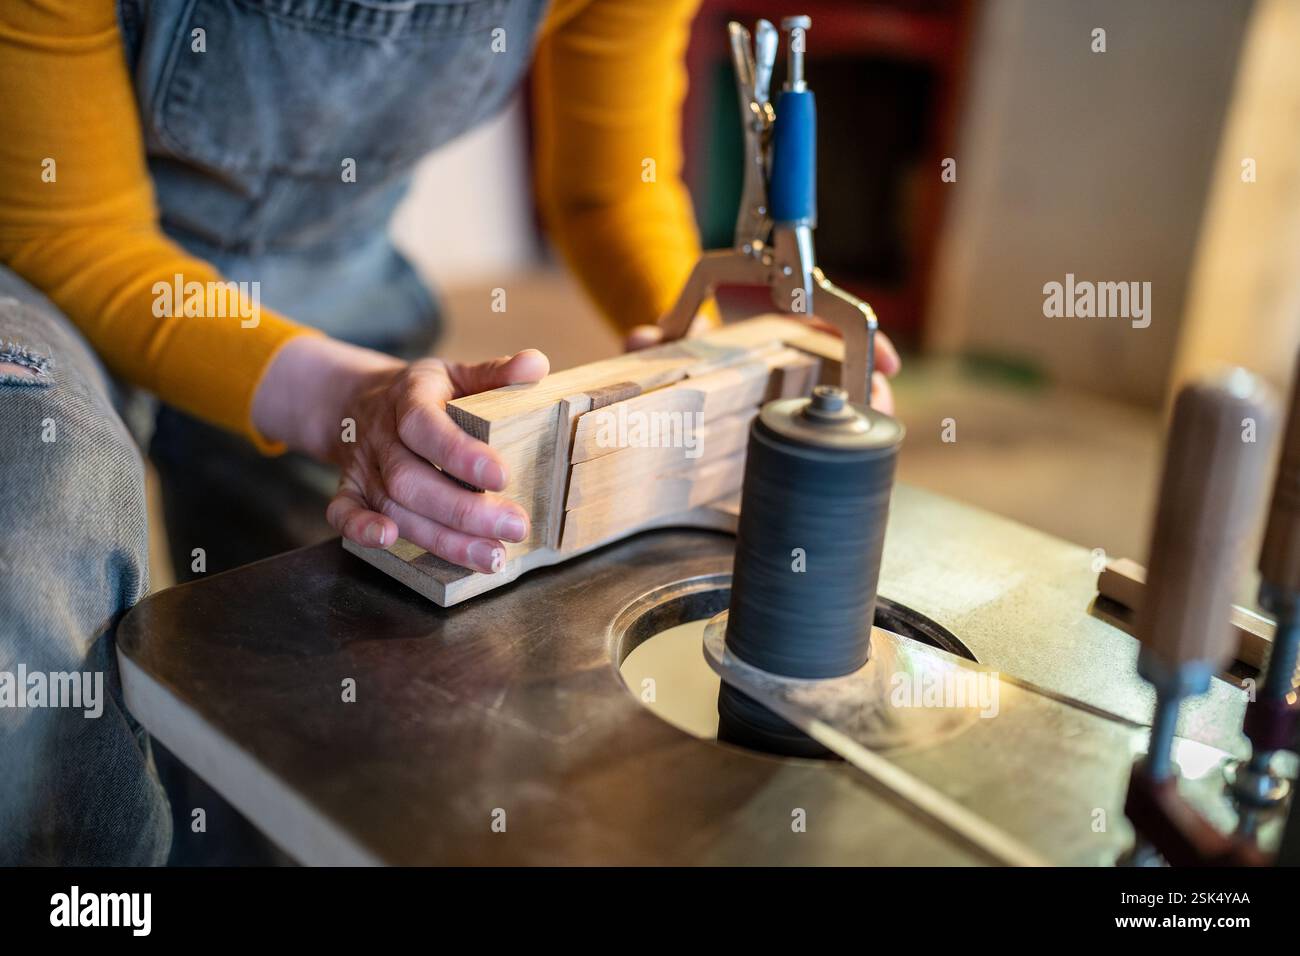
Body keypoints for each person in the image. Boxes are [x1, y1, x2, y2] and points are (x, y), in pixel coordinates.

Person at [0, 0, 899, 864]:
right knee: (36, 528)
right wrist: (344, 401)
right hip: (36, 256)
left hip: (330, 276)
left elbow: (605, 189)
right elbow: (74, 231)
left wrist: (711, 365)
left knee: (354, 662)